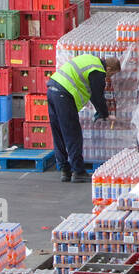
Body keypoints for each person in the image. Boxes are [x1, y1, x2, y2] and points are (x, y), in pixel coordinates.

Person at [47, 52, 121, 182]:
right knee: (73, 134)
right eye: (111, 74)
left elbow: (92, 93)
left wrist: (100, 111)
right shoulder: (98, 70)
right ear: (108, 69)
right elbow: (98, 96)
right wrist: (105, 114)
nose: (109, 78)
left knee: (58, 132)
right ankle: (78, 171)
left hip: (52, 89)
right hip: (64, 94)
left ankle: (64, 170)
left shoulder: (90, 60)